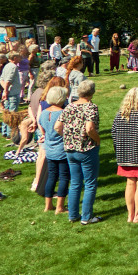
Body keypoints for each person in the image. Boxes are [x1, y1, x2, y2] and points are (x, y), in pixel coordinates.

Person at [55, 80, 101, 225]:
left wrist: (68, 138)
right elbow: (89, 129)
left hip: (70, 149)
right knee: (90, 183)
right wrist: (97, 140)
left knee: (75, 182)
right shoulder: (91, 107)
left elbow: (57, 127)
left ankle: (73, 214)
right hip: (86, 149)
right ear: (92, 92)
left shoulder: (69, 107)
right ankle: (86, 217)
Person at [111, 87, 138, 223]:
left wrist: (118, 152)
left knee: (130, 184)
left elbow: (114, 135)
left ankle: (130, 215)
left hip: (124, 156)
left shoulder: (119, 114)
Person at [40, 86, 70, 215]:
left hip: (49, 149)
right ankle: (60, 207)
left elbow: (43, 129)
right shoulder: (63, 113)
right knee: (64, 177)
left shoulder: (44, 112)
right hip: (62, 149)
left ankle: (48, 205)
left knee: (52, 176)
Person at [0, 51, 22, 138]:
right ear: (15, 58)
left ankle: (4, 131)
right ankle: (10, 133)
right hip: (13, 92)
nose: (20, 59)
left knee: (6, 112)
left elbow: (1, 79)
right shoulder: (13, 67)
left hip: (8, 92)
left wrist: (5, 89)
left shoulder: (6, 66)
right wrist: (6, 90)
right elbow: (9, 80)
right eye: (19, 57)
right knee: (12, 113)